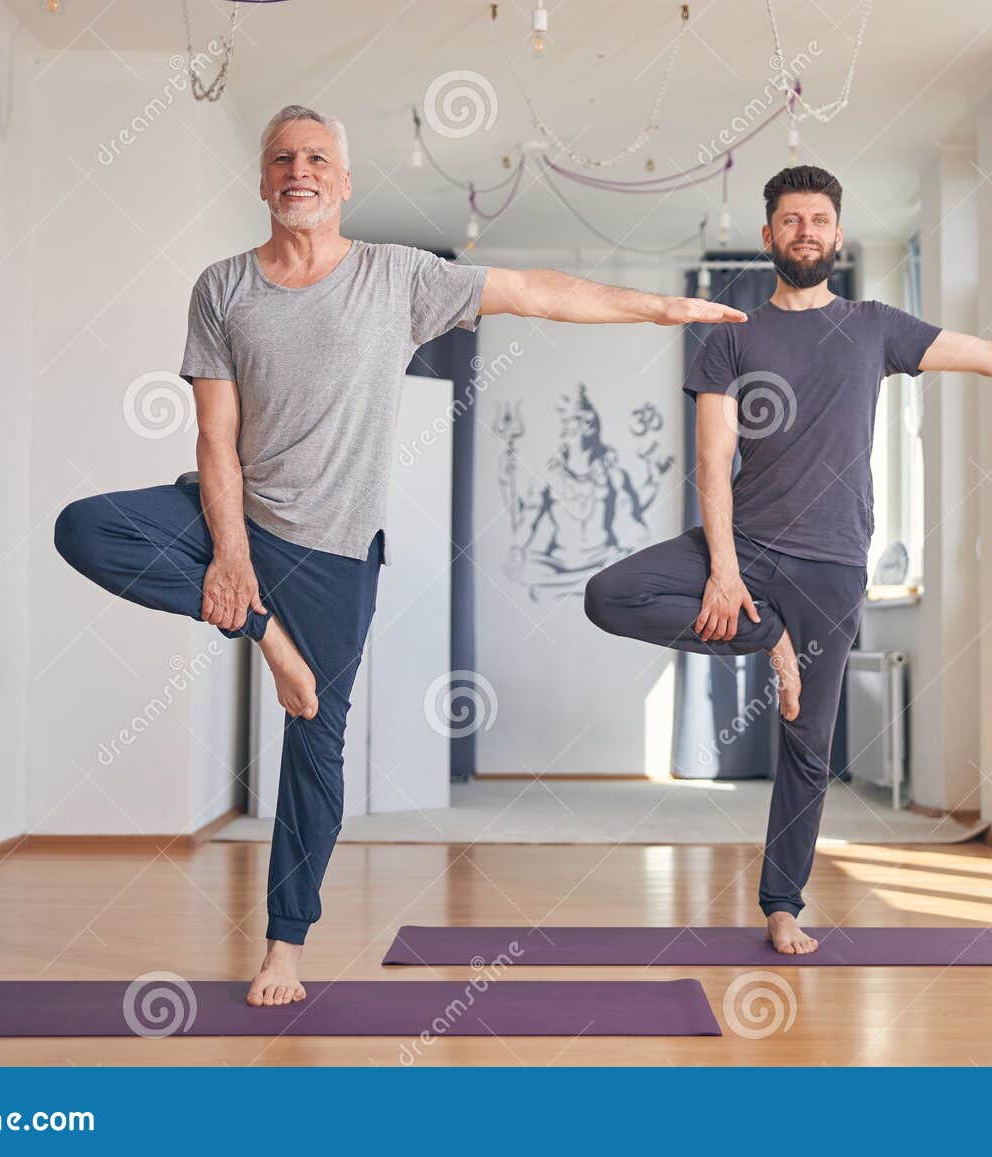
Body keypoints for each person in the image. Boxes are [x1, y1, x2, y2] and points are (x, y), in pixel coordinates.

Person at [53, 104, 744, 1007]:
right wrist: (233, 570)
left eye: (316, 158)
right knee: (86, 527)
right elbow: (214, 441)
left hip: (335, 552)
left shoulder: (397, 277)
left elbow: (537, 290)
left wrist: (664, 307)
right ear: (264, 181)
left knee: (315, 746)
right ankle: (267, 635)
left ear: (342, 182)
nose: (298, 170)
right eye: (281, 159)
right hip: (237, 515)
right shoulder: (222, 287)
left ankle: (284, 949)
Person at [583, 164, 992, 955]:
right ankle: (768, 641)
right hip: (748, 547)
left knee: (807, 745)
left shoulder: (875, 325)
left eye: (819, 219)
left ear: (836, 235)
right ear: (768, 236)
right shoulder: (731, 332)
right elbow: (712, 459)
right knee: (610, 594)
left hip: (832, 564)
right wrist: (727, 575)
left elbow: (991, 355)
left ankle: (782, 905)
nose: (806, 230)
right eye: (791, 219)